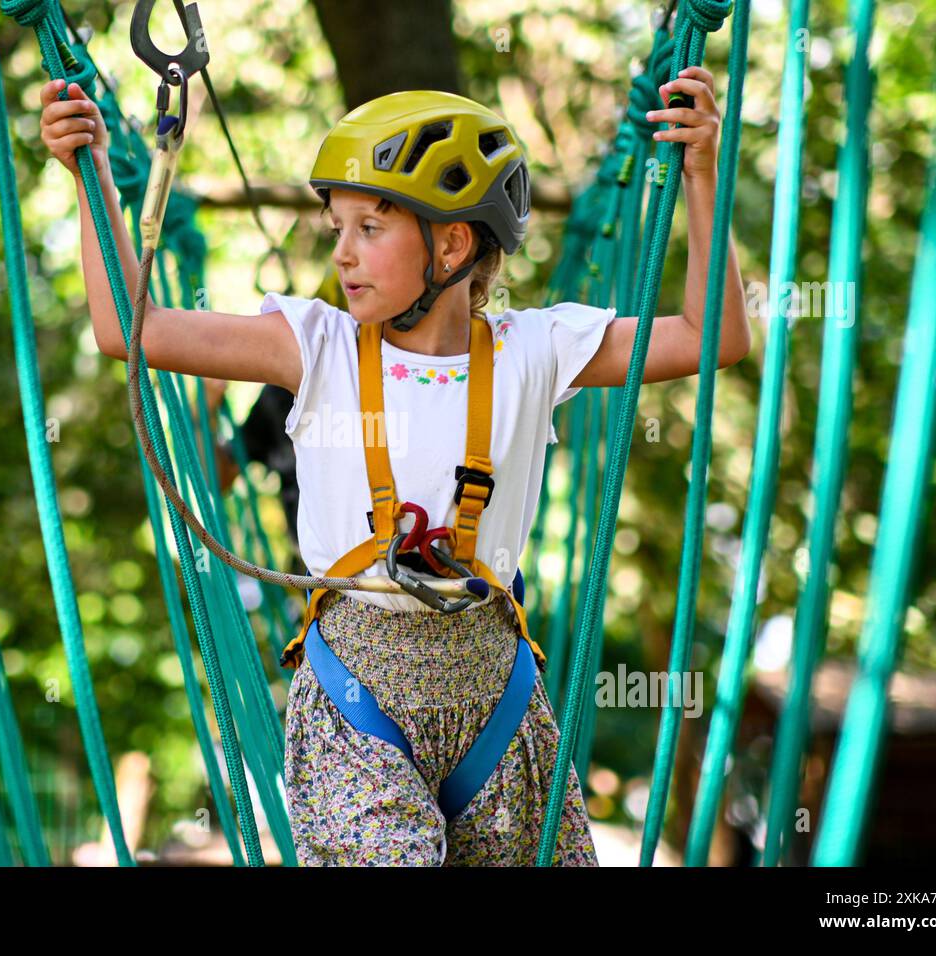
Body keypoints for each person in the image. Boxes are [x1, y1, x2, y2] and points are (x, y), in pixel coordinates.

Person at [39, 69, 749, 866]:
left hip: (497, 697)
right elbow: (128, 329)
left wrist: (701, 173)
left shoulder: (537, 349)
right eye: (337, 226)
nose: (341, 253)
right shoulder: (314, 345)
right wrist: (92, 175)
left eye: (370, 227)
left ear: (451, 243)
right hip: (357, 697)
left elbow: (712, 336)